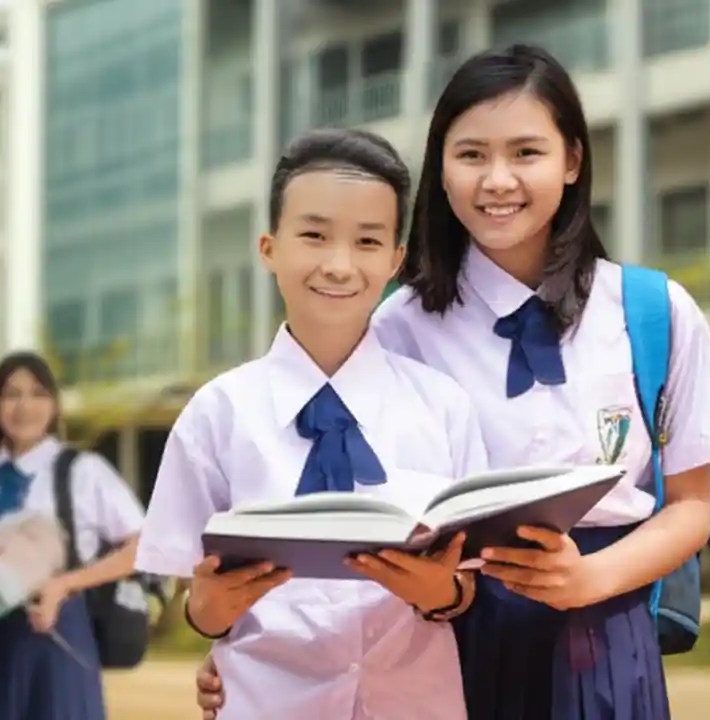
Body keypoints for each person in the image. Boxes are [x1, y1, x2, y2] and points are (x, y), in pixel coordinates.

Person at [194, 43, 710, 720]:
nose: (497, 180)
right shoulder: (396, 326)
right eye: (471, 154)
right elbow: (331, 505)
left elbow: (691, 508)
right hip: (442, 635)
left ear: (571, 161)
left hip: (606, 632)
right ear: (441, 172)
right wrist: (253, 645)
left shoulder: (653, 313)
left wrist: (588, 578)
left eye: (526, 153)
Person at [138, 128, 486, 720]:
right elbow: (189, 599)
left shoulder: (444, 408)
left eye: (368, 241)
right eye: (315, 235)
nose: (339, 264)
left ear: (396, 260)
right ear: (269, 248)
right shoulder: (217, 415)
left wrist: (440, 594)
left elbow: (467, 582)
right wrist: (211, 608)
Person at [0, 352, 146, 720]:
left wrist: (65, 584)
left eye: (37, 393)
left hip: (61, 635)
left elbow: (145, 545)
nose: (24, 406)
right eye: (11, 394)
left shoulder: (82, 471)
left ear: (53, 404)